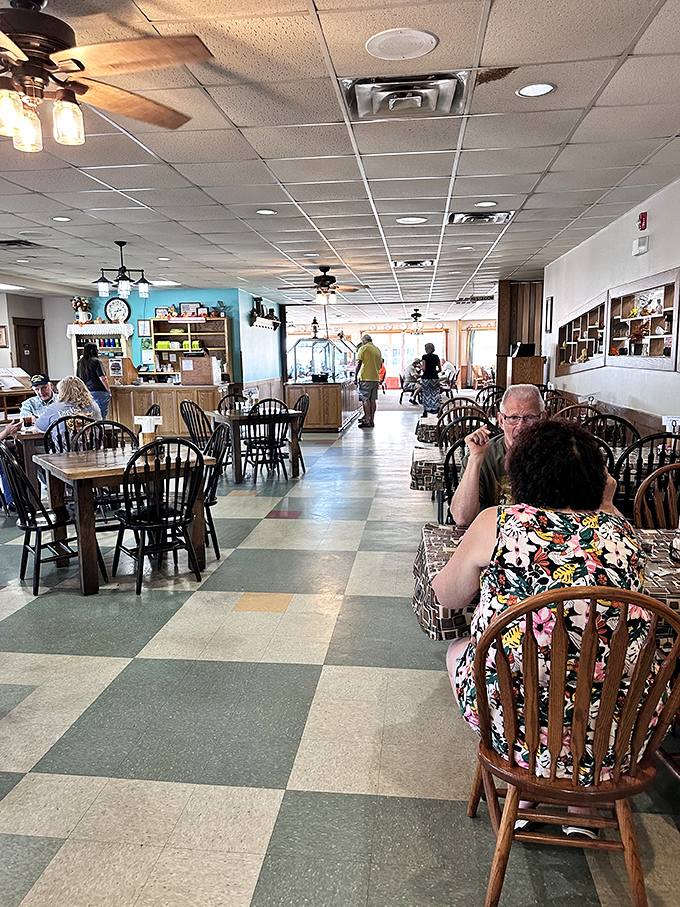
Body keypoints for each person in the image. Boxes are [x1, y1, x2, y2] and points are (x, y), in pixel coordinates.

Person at [432, 419, 657, 801]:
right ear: (598, 477)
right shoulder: (621, 533)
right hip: (618, 736)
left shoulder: (499, 524)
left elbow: (448, 597)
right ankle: (581, 808)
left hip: (518, 729)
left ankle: (528, 779)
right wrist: (605, 502)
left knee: (458, 649)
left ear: (521, 473)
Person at [450, 384, 544, 526]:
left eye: (530, 417)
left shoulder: (557, 455)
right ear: (501, 421)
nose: (521, 426)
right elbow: (462, 518)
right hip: (492, 535)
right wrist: (475, 458)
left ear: (543, 418)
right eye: (513, 417)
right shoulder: (485, 455)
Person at [35, 376, 102, 433]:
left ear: (62, 392)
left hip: (64, 447)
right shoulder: (94, 405)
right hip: (94, 447)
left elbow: (39, 428)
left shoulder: (53, 408)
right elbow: (100, 425)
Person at [76, 343, 111, 419]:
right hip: (99, 392)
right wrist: (108, 390)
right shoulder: (96, 362)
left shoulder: (80, 362)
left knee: (89, 415)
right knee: (101, 415)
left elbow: (78, 379)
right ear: (93, 351)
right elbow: (102, 378)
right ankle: (100, 430)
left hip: (86, 393)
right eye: (97, 350)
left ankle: (92, 430)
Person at [355, 333, 382, 428]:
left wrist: (355, 377)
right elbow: (380, 365)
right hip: (375, 377)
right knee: (373, 400)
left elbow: (359, 364)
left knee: (365, 399)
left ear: (363, 342)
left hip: (365, 377)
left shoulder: (363, 348)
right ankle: (372, 420)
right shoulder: (377, 350)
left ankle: (366, 421)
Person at [420, 342, 441, 416]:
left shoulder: (424, 357)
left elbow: (424, 369)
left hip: (426, 377)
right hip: (435, 377)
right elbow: (440, 369)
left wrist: (421, 368)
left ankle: (426, 410)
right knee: (435, 393)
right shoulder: (436, 357)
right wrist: (434, 371)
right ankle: (436, 409)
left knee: (426, 394)